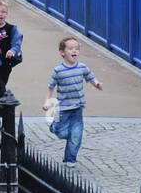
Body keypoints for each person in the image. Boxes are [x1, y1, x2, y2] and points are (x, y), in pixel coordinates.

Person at [43, 36, 102, 166]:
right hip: (62, 108)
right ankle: (54, 126)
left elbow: (91, 77)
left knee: (76, 136)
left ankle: (70, 159)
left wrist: (96, 84)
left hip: (77, 107)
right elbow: (50, 87)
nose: (74, 51)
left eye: (76, 48)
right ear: (62, 52)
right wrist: (47, 101)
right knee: (62, 132)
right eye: (70, 48)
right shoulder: (58, 70)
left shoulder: (82, 67)